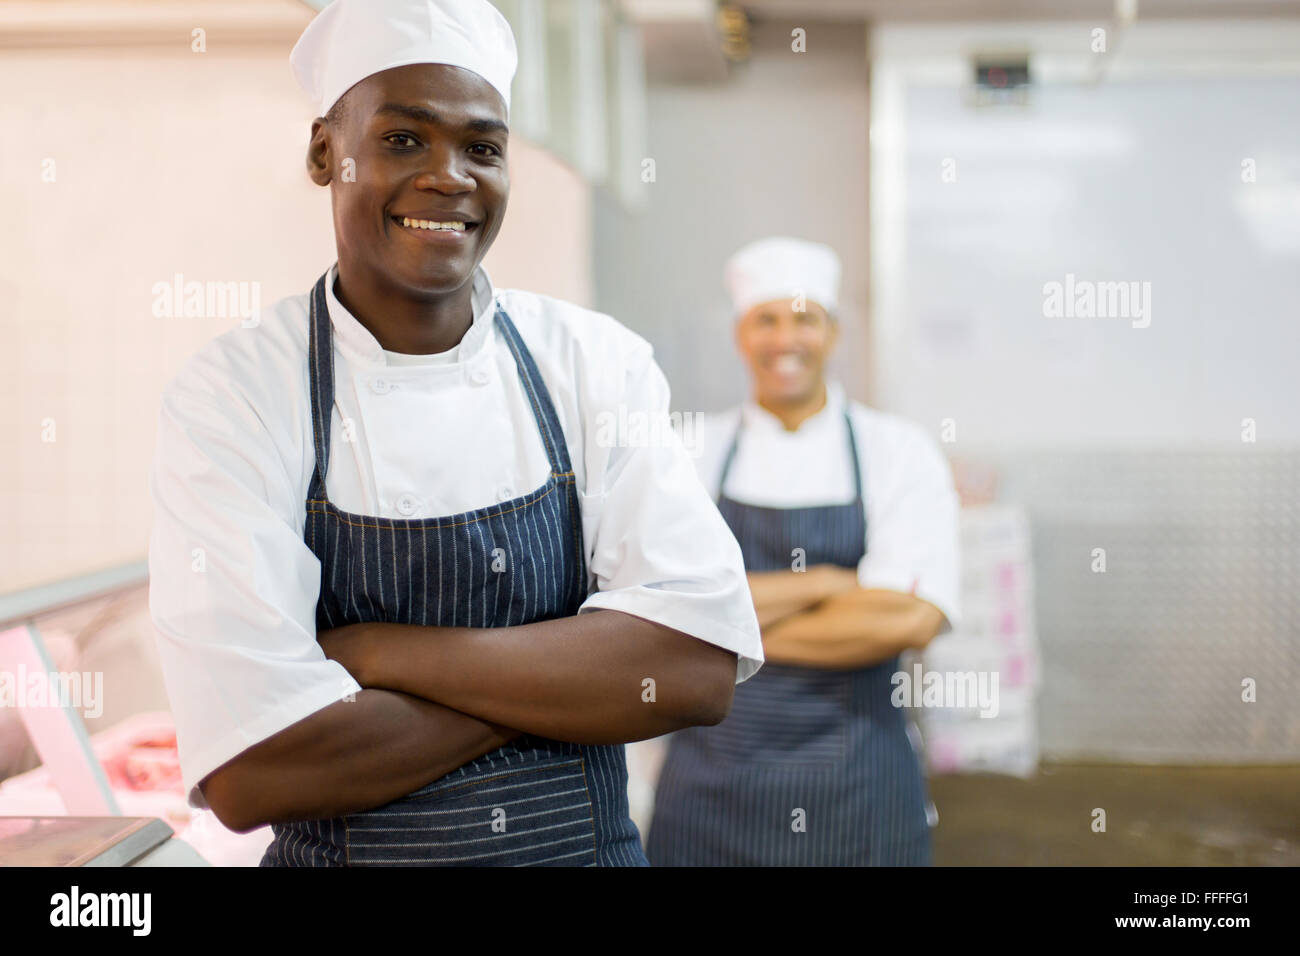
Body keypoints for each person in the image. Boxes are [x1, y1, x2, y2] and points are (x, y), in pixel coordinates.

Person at [146, 0, 762, 867]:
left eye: (483, 147)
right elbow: (256, 768)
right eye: (404, 139)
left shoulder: (592, 362)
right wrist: (577, 679)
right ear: (326, 150)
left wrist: (376, 653)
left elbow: (694, 671)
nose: (450, 176)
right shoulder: (237, 394)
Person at [645, 236, 961, 866]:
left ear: (832, 333)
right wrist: (827, 581)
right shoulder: (687, 452)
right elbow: (654, 610)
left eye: (803, 318)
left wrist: (719, 634)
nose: (784, 339)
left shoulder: (896, 451)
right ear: (741, 335)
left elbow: (911, 616)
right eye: (766, 319)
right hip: (712, 791)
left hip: (859, 784)